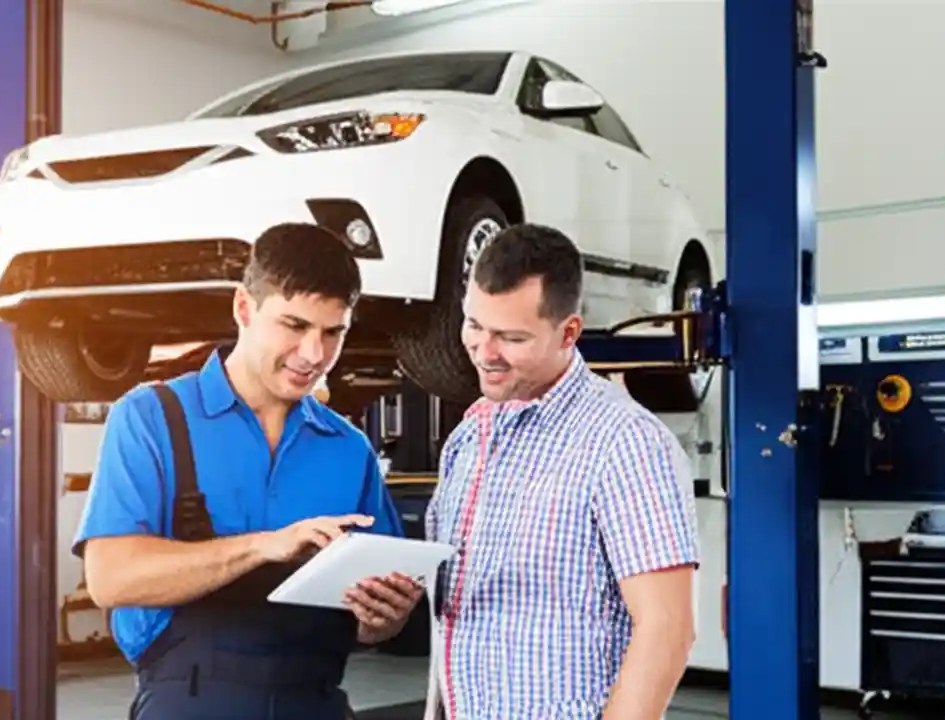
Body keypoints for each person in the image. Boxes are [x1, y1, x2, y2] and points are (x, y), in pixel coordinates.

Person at [72, 222, 424, 720]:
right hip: (190, 703)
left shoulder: (349, 449)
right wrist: (265, 545)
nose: (314, 355)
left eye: (333, 332)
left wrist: (383, 618)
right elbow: (112, 579)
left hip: (315, 702)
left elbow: (375, 624)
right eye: (295, 326)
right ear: (243, 308)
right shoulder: (153, 418)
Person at [422, 223, 700, 720]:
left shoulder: (624, 442)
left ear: (568, 332)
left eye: (511, 337)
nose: (485, 352)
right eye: (474, 326)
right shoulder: (470, 437)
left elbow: (667, 628)